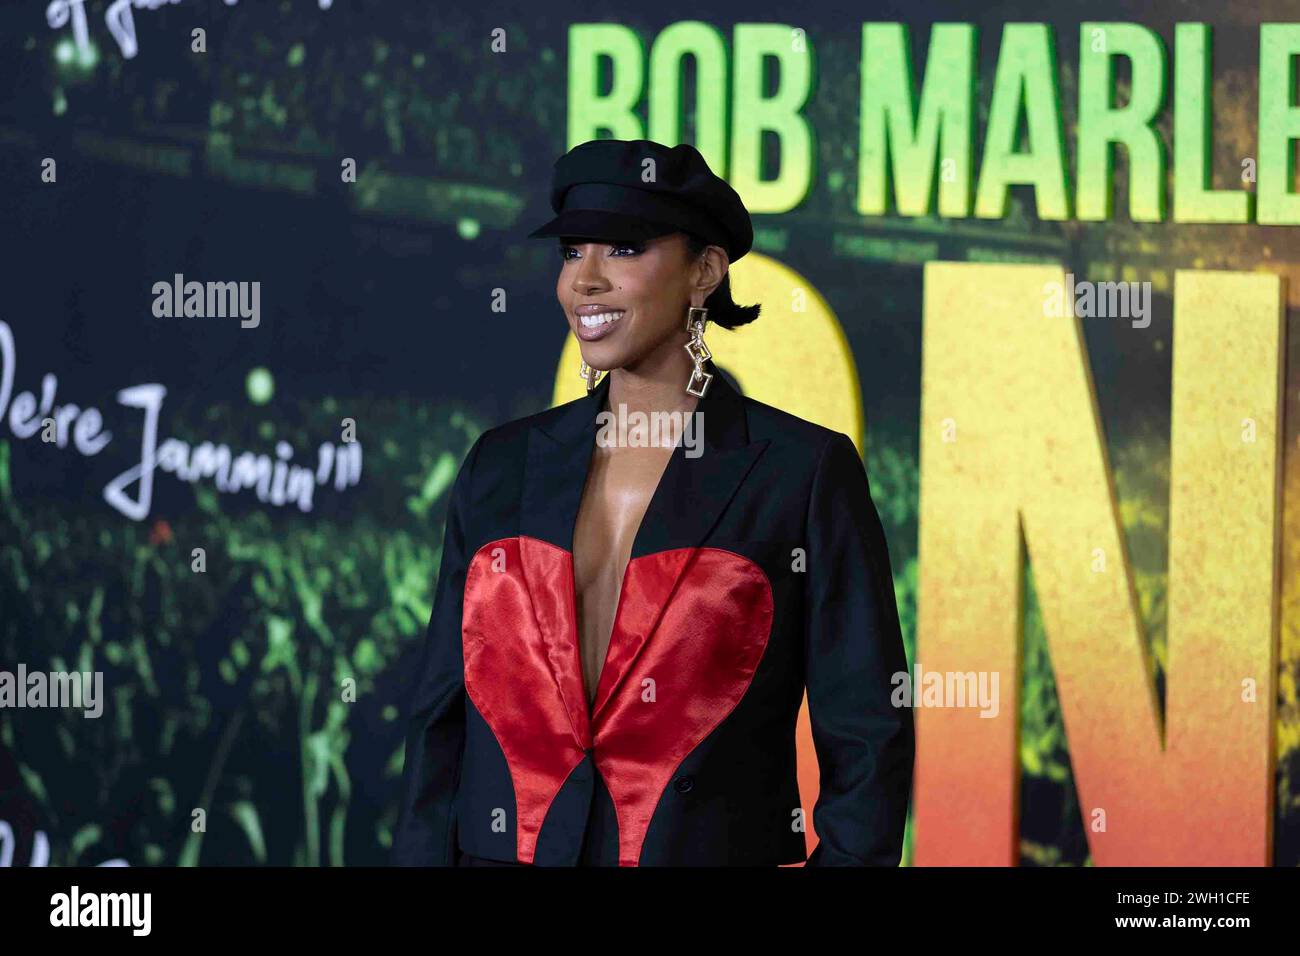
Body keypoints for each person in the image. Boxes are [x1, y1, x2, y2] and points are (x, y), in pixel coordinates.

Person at [391, 138, 914, 866]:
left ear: (704, 271)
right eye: (573, 252)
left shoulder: (804, 473)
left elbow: (869, 742)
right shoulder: (499, 466)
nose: (587, 280)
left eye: (625, 249)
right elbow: (440, 722)